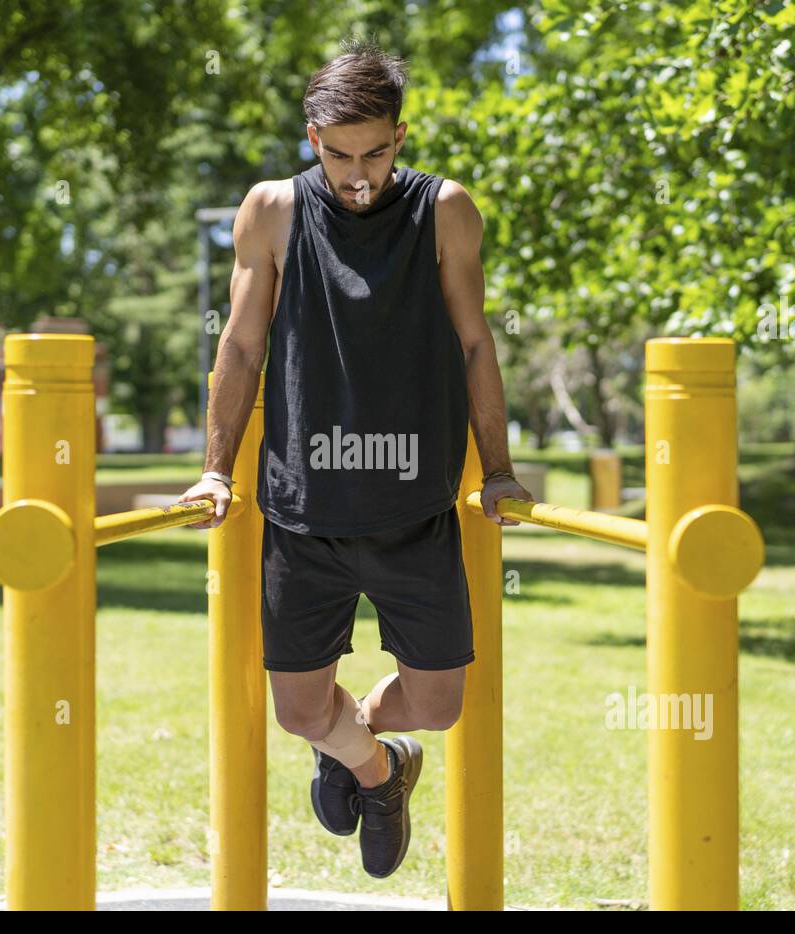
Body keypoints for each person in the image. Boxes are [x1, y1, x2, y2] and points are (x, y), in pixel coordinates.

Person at [177, 38, 531, 879]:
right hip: (305, 513)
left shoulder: (445, 210)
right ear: (311, 139)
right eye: (338, 154)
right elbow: (241, 344)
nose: (358, 172)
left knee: (439, 705)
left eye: (375, 151)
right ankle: (377, 768)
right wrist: (215, 467)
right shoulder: (272, 210)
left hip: (415, 510)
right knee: (299, 712)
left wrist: (501, 466)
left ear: (401, 138)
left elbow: (476, 343)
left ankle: (371, 738)